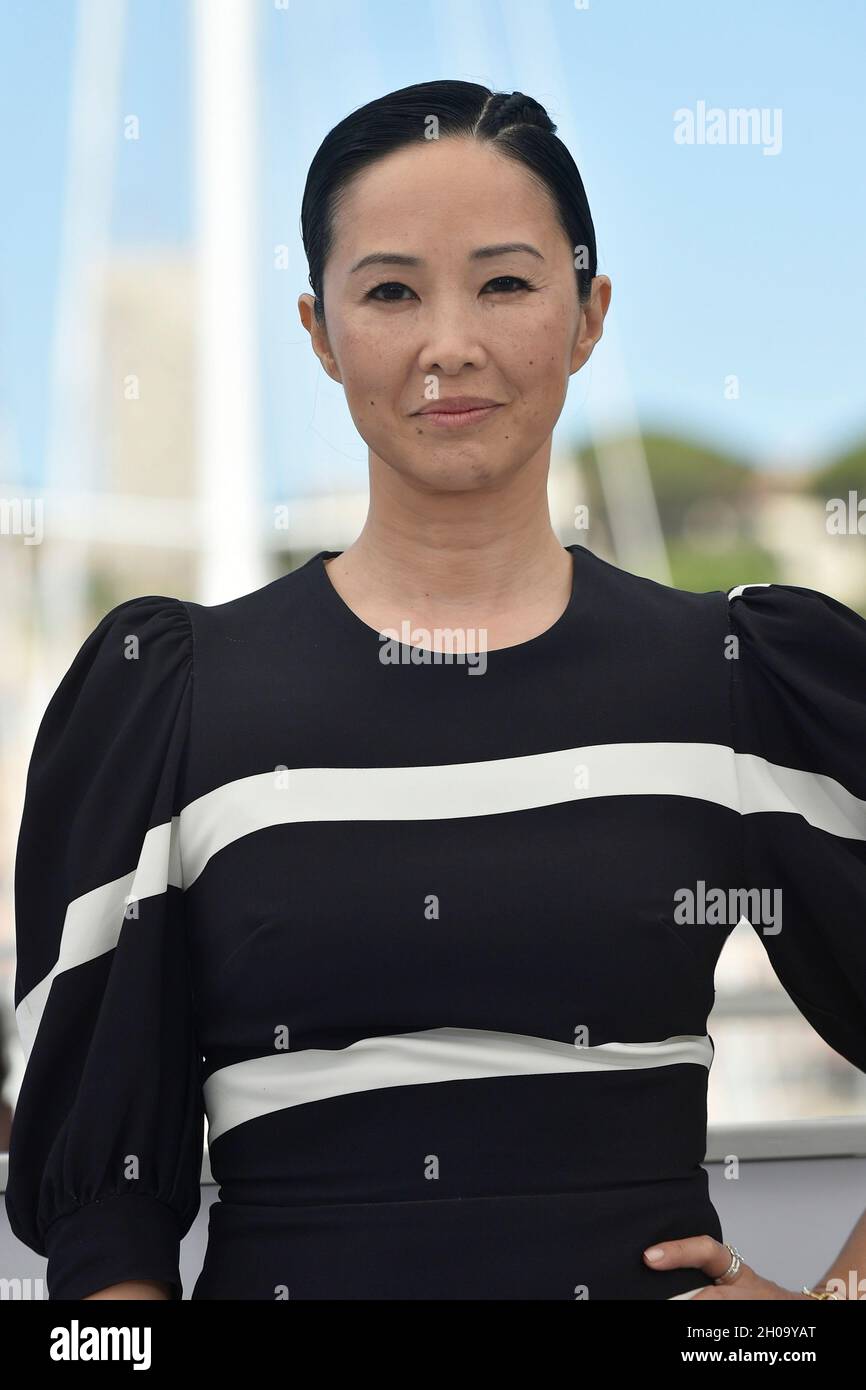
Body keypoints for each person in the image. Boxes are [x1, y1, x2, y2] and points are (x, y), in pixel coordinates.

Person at [5, 80, 866, 1300]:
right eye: (391, 290)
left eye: (505, 283)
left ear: (587, 314)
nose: (447, 343)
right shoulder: (175, 700)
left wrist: (826, 1313)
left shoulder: (728, 676)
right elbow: (103, 1213)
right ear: (319, 329)